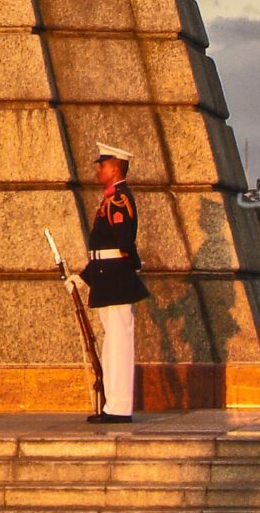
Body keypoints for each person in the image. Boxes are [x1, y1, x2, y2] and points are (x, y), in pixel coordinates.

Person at [80, 141, 149, 422]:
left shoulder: (119, 200)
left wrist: (129, 266)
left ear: (115, 167)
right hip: (106, 276)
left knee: (119, 343)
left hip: (115, 277)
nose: (98, 168)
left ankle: (120, 407)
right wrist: (84, 276)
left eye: (103, 164)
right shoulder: (110, 199)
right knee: (112, 343)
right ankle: (112, 405)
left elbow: (124, 244)